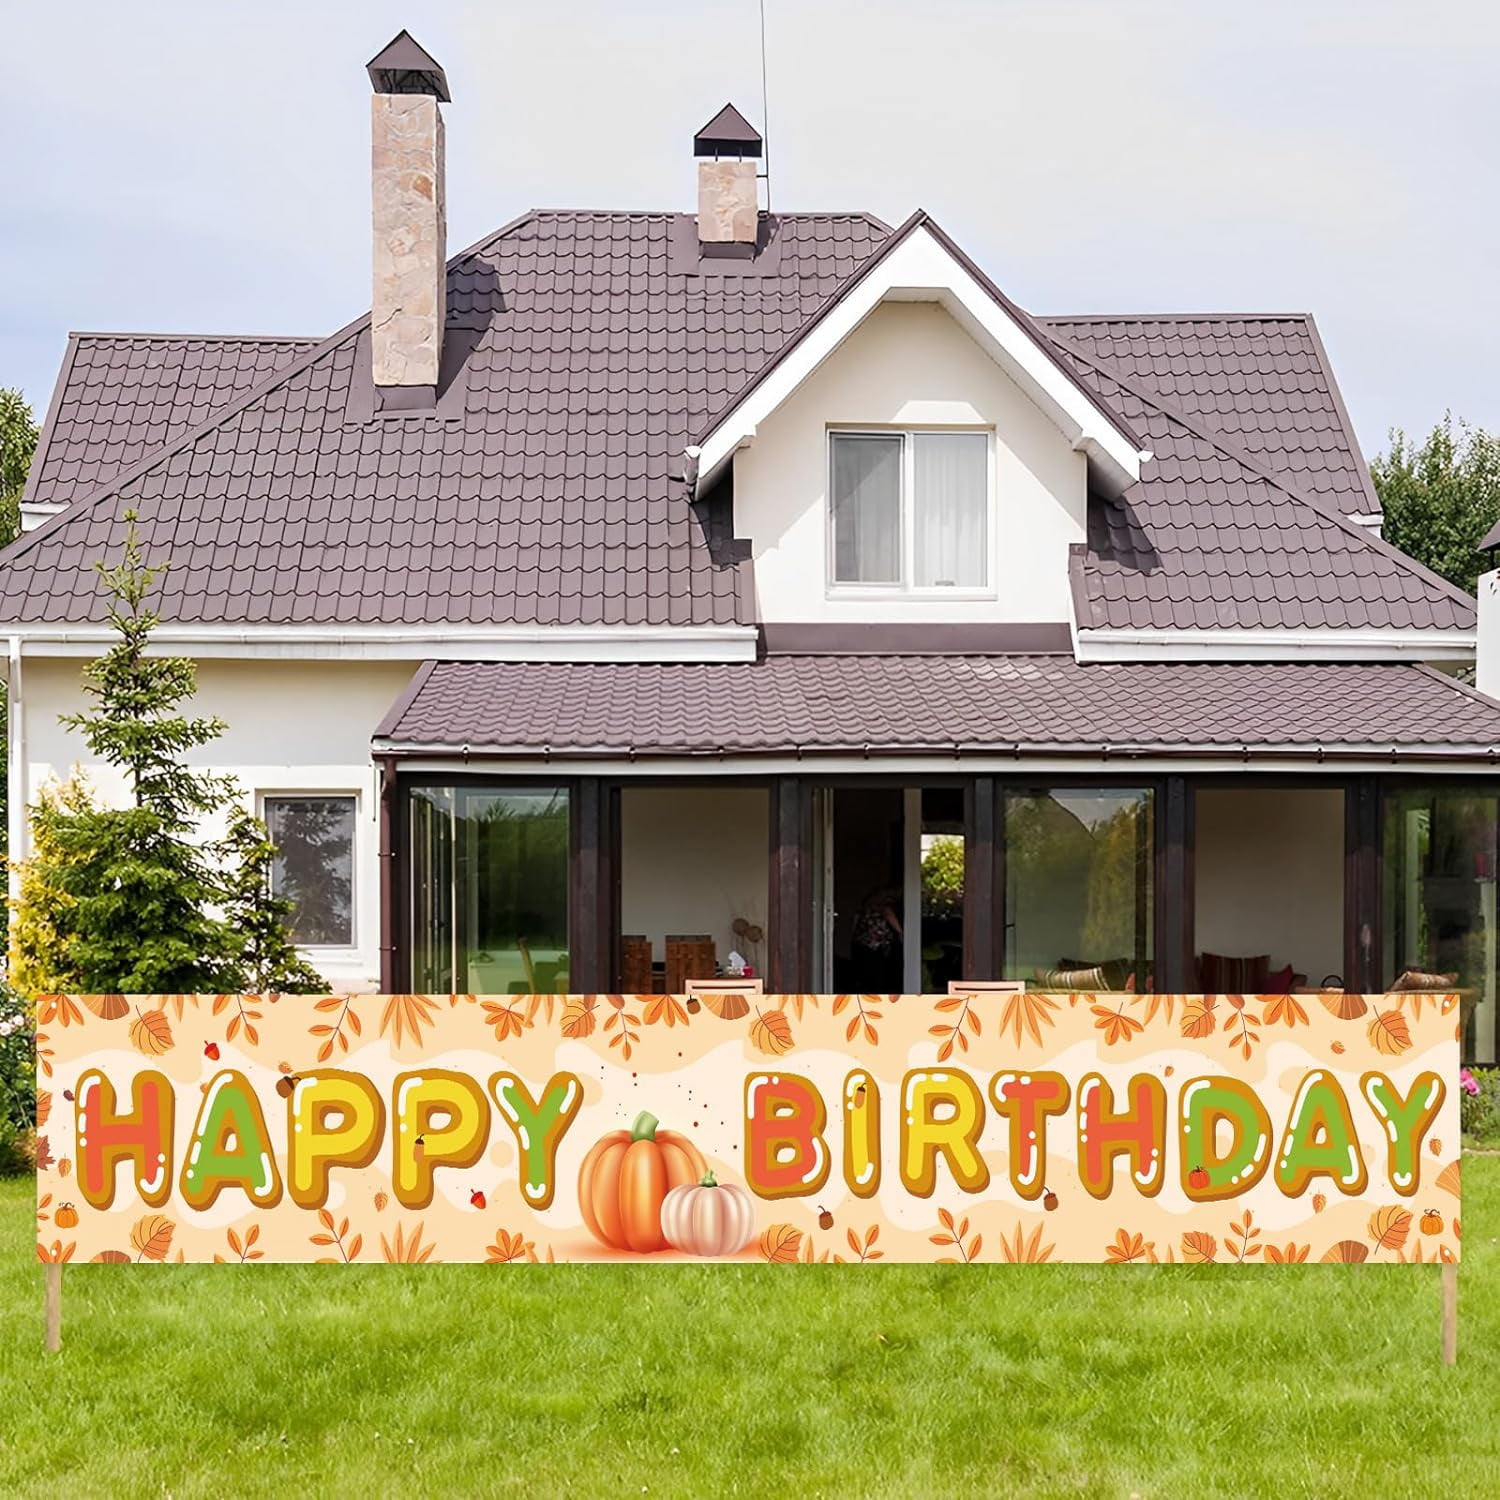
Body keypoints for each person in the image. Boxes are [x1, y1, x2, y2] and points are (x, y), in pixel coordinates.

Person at [850, 886, 903, 991]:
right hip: (873, 946)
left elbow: (855, 922)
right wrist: (901, 932)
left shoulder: (864, 907)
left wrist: (853, 938)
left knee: (865, 976)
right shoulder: (882, 907)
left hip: (861, 944)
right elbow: (888, 914)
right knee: (876, 976)